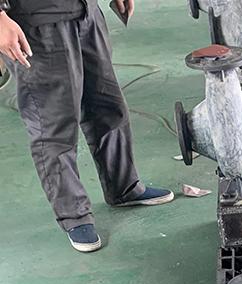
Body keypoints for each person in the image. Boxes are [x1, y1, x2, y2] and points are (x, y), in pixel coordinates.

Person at [0, 0, 174, 252]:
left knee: (108, 107)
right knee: (54, 125)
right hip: (37, 22)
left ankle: (124, 187)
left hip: (86, 14)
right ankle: (74, 216)